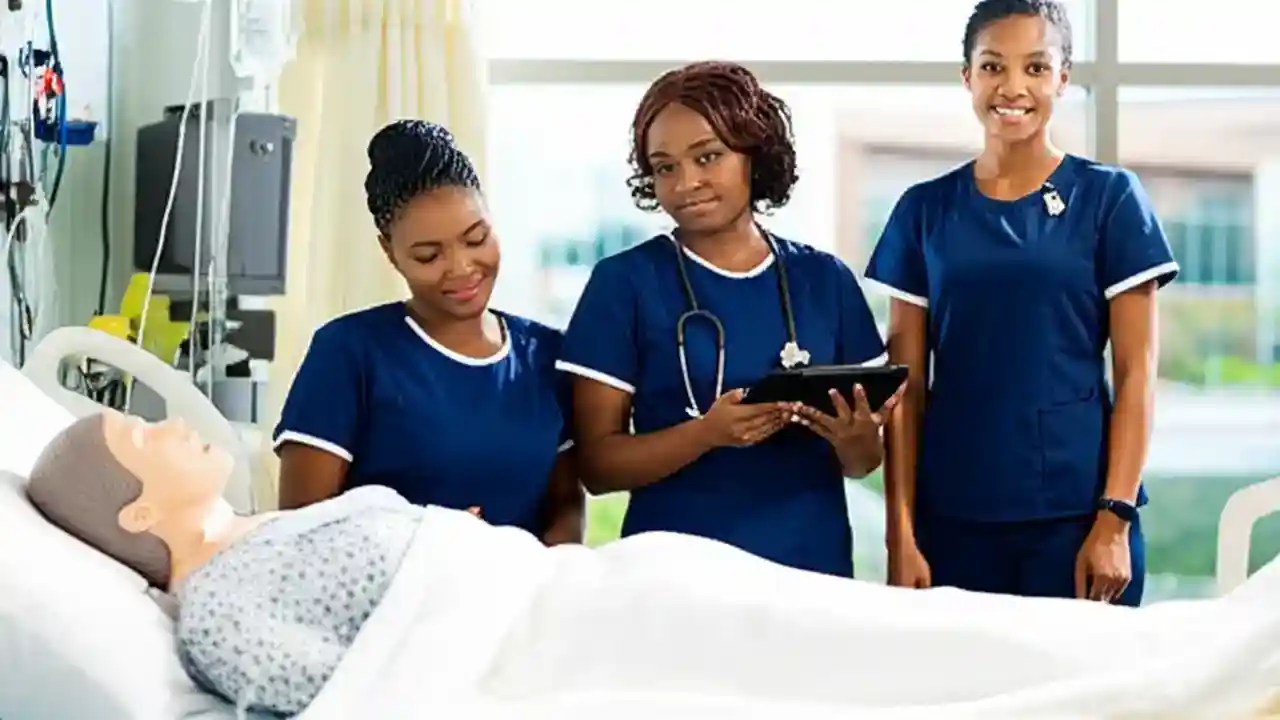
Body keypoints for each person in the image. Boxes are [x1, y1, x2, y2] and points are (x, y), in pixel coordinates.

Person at [25, 411, 1279, 719]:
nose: (179, 428)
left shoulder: (269, 539)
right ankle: (1201, 676)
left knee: (926, 636)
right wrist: (457, 564)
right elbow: (375, 702)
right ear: (131, 498)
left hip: (623, 589)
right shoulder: (219, 606)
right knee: (900, 671)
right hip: (579, 643)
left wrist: (454, 550)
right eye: (145, 432)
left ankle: (1199, 655)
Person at [863, 0, 1179, 606]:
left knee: (1085, 699)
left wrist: (1113, 517)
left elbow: (1137, 373)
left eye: (1036, 68)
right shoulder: (923, 210)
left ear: (1064, 77)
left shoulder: (1110, 199)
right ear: (967, 78)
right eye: (992, 67)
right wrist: (899, 535)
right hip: (953, 521)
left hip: (1079, 519)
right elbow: (905, 390)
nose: (1013, 87)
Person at [556, 61, 901, 578]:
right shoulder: (622, 285)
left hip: (810, 570)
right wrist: (705, 434)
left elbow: (864, 462)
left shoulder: (824, 280)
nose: (686, 182)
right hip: (675, 579)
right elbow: (598, 468)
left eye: (708, 157)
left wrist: (853, 440)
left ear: (754, 156)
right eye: (665, 166)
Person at [272, 120, 582, 546]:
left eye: (476, 239)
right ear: (389, 251)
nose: (461, 268)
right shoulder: (350, 352)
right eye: (428, 255)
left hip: (525, 597)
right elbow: (300, 531)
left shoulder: (547, 355)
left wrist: (540, 578)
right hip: (395, 601)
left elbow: (565, 503)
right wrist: (429, 546)